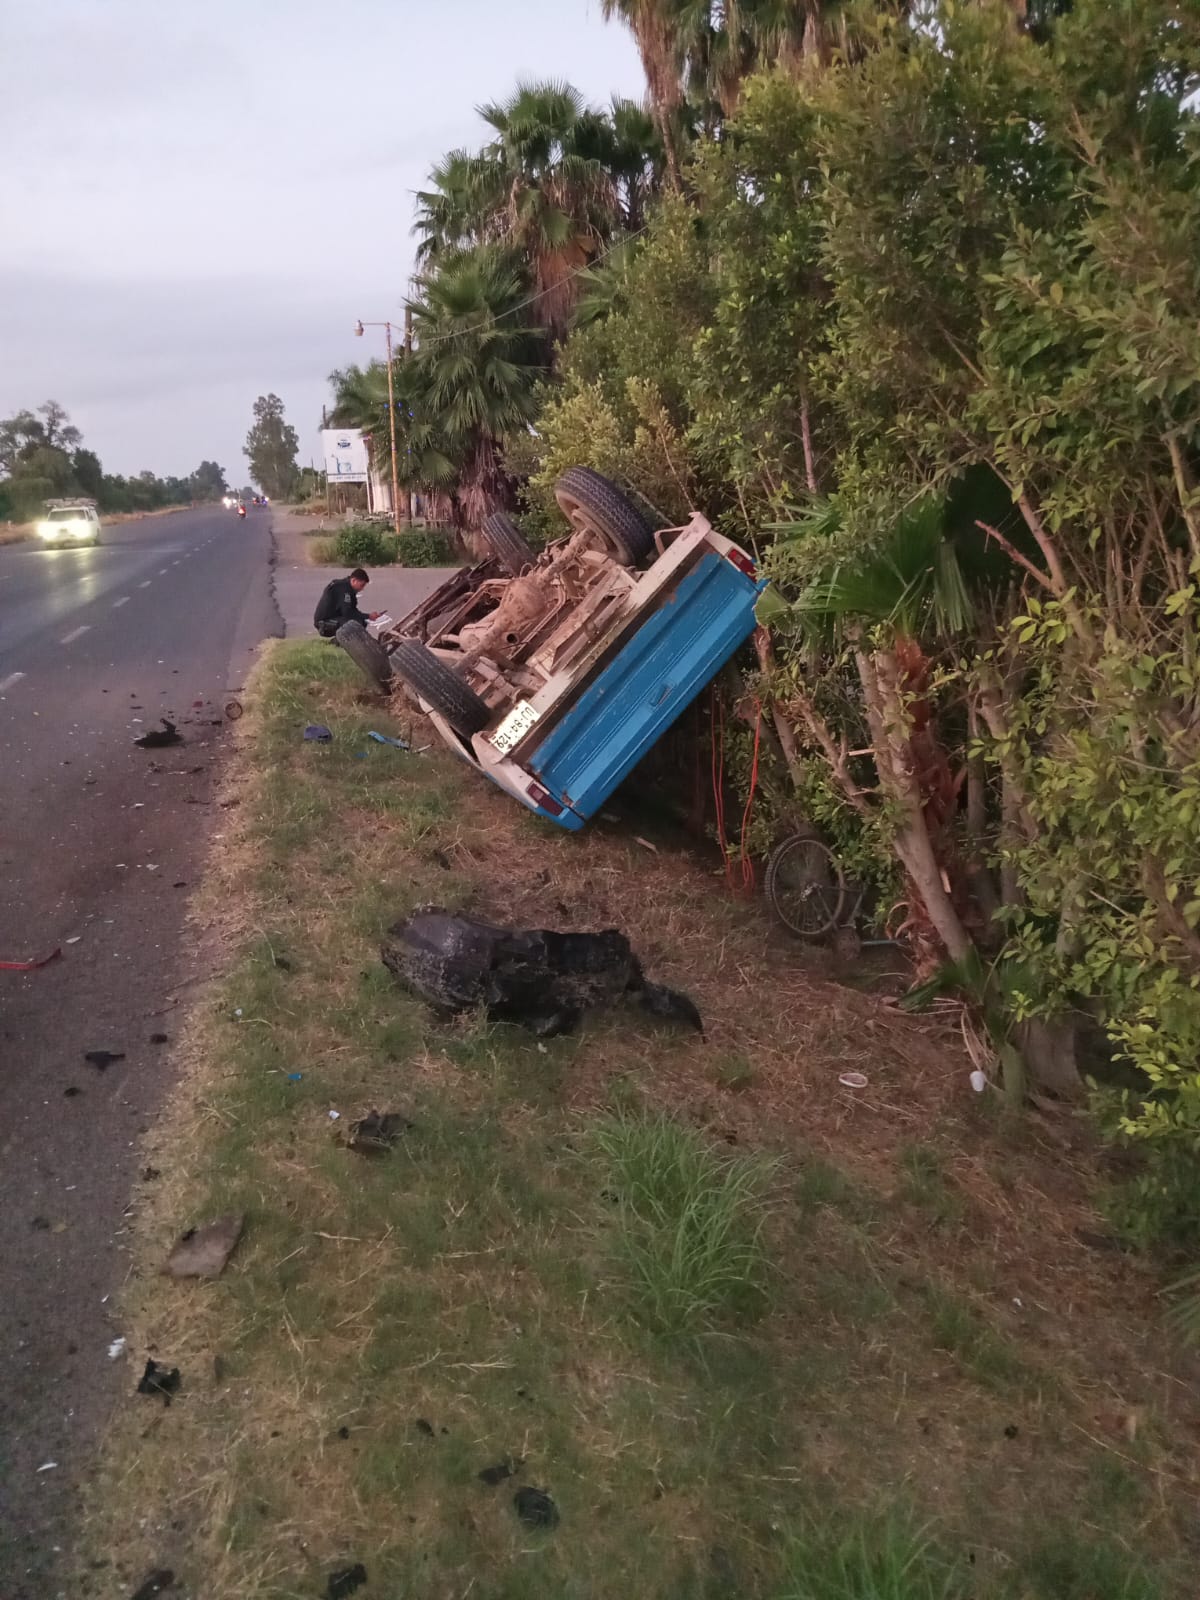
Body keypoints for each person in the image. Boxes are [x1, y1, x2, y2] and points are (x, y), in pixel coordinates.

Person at [313, 567, 379, 638]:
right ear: (354, 580)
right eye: (361, 585)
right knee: (354, 625)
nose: (362, 589)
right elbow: (347, 612)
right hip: (324, 623)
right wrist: (368, 616)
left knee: (361, 621)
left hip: (334, 618)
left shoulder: (348, 588)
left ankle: (351, 641)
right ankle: (339, 641)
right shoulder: (343, 588)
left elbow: (352, 609)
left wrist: (366, 617)